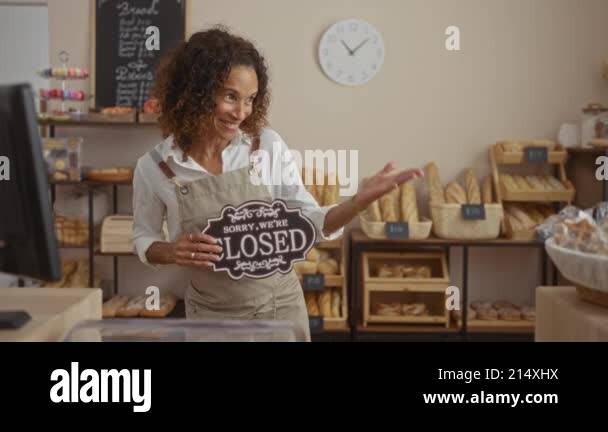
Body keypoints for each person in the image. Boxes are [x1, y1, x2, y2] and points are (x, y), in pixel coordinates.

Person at [132, 26, 423, 341]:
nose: (242, 112)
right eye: (231, 96)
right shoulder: (156, 168)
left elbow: (310, 220)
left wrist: (357, 203)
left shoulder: (265, 146)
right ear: (195, 91)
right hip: (211, 318)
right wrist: (173, 250)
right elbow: (144, 239)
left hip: (280, 311)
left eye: (251, 99)